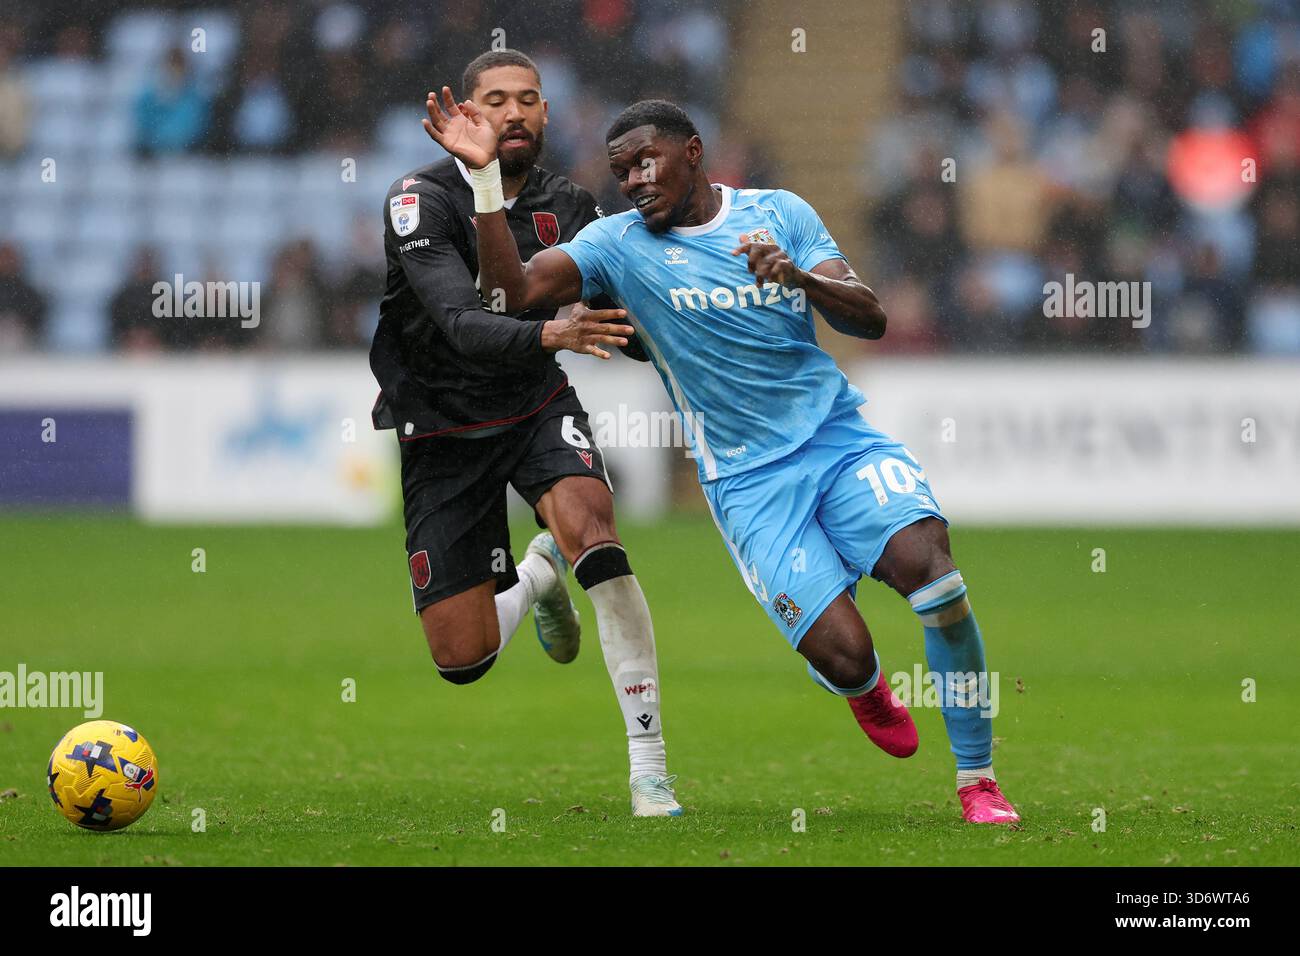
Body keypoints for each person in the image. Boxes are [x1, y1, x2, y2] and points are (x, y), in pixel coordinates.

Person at [422, 92, 1020, 824]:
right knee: (847, 656)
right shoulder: (616, 244)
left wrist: (798, 278)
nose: (635, 181)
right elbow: (506, 293)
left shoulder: (780, 213)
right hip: (748, 481)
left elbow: (869, 314)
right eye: (621, 172)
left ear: (693, 152)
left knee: (938, 579)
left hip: (839, 440)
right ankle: (864, 688)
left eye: (647, 161)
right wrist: (485, 183)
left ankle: (977, 780)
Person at [370, 52, 680, 817]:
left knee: (599, 540)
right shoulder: (419, 200)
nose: (514, 113)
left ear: (547, 115)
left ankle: (650, 769)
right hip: (442, 429)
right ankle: (539, 576)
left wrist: (659, 334)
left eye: (529, 99)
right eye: (495, 100)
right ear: (464, 116)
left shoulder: (568, 204)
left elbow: (626, 315)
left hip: (537, 406)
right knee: (462, 657)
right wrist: (550, 333)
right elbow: (462, 321)